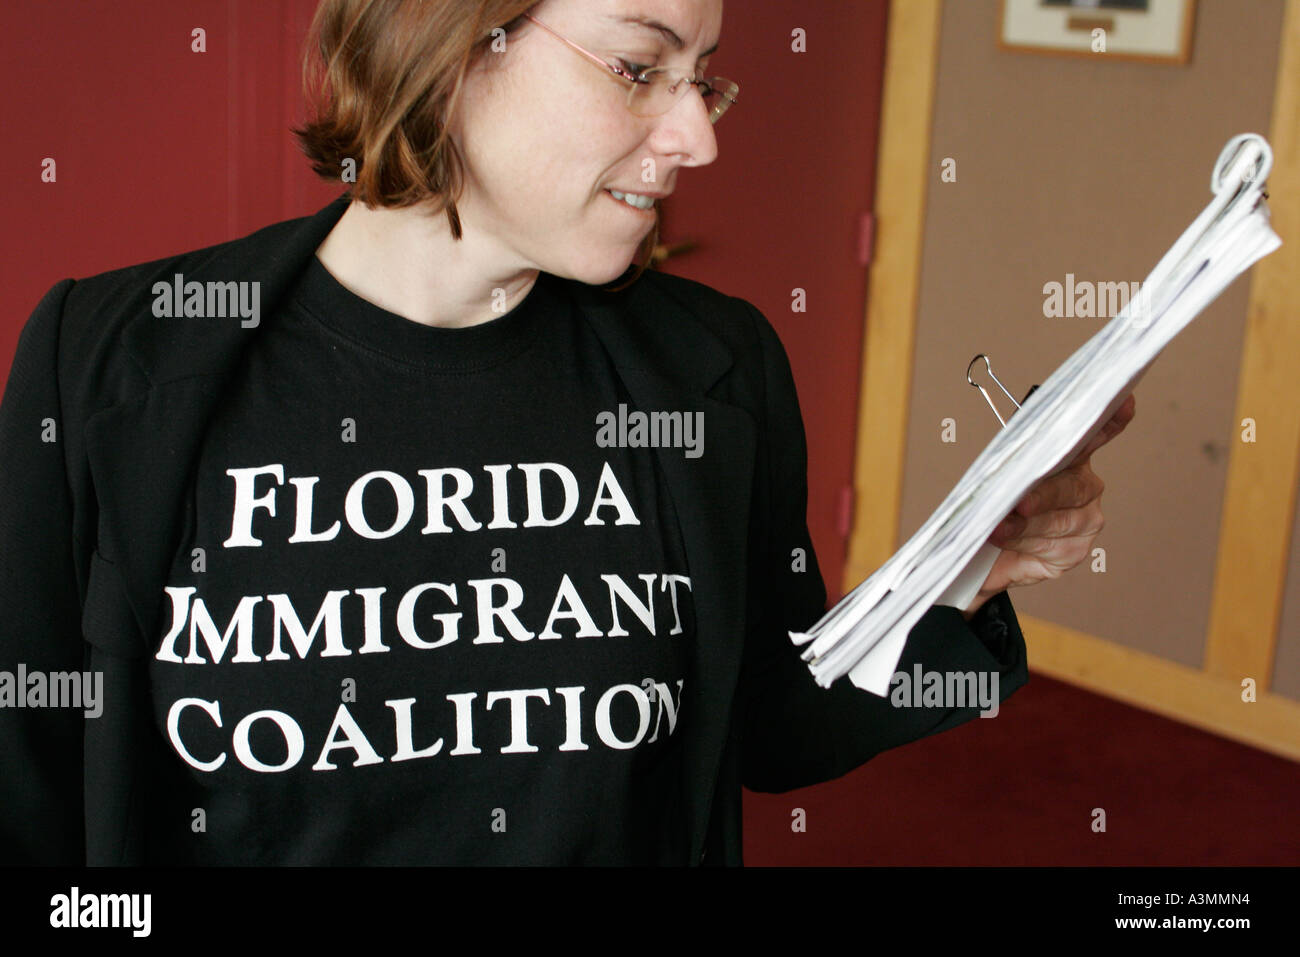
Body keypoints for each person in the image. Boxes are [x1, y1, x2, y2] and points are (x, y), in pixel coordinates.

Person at [0, 0, 1133, 866]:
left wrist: (971, 569)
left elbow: (768, 724)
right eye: (639, 68)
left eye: (704, 80)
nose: (697, 138)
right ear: (447, 43)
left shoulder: (714, 370)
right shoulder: (106, 364)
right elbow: (32, 784)